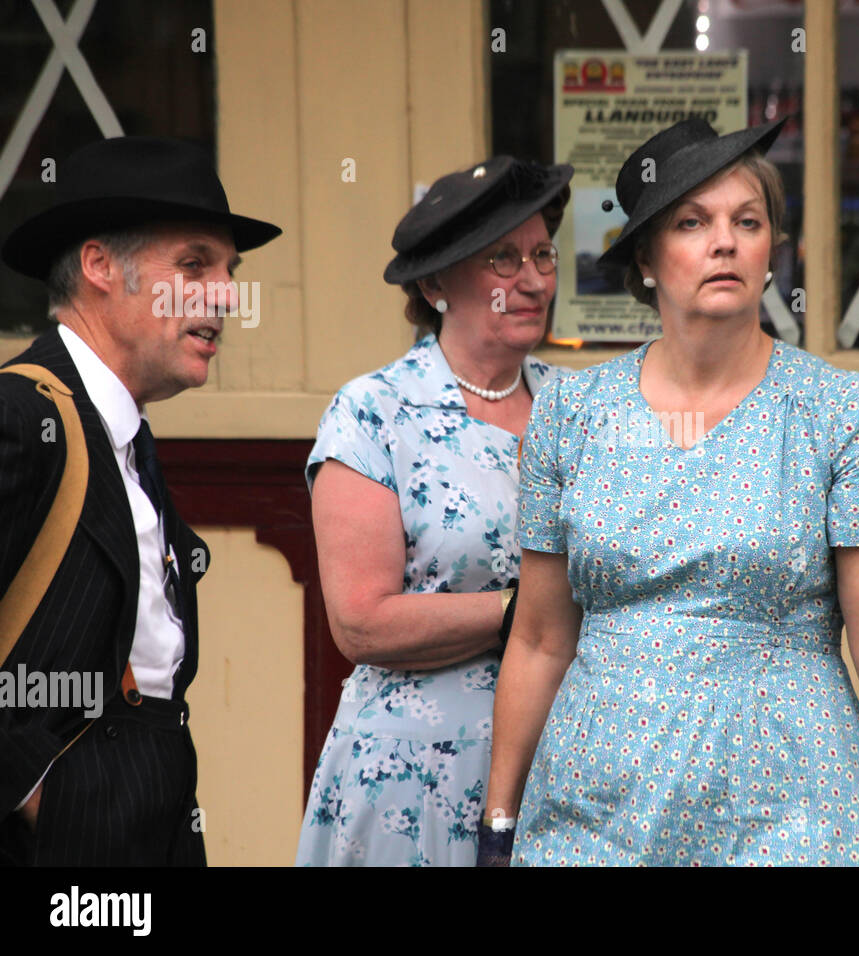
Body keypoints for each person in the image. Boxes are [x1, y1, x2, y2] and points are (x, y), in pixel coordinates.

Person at [480, 117, 859, 866]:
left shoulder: (839, 412)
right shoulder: (572, 415)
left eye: (748, 221)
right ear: (645, 257)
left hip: (796, 808)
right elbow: (539, 640)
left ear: (770, 252)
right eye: (692, 222)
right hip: (596, 807)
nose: (724, 241)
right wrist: (498, 821)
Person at [0, 136, 281, 865]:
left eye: (229, 272)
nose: (225, 294)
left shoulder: (123, 438)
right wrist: (43, 791)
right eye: (193, 265)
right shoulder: (18, 418)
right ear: (98, 265)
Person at [295, 156, 572, 866]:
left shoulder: (582, 408)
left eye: (543, 253)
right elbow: (361, 621)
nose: (535, 279)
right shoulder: (375, 411)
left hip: (566, 767)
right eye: (504, 258)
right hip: (416, 781)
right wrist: (524, 611)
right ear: (435, 284)